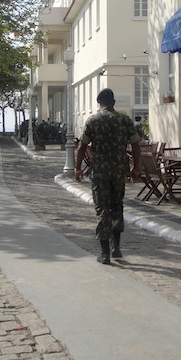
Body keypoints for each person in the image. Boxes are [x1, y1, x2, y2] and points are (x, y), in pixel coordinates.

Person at [74, 88, 140, 265]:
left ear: (99, 102)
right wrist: (136, 167)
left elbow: (82, 146)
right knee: (117, 207)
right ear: (114, 102)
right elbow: (135, 145)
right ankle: (115, 247)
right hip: (119, 170)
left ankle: (104, 253)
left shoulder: (93, 121)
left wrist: (77, 168)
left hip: (100, 171)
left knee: (102, 209)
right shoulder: (124, 120)